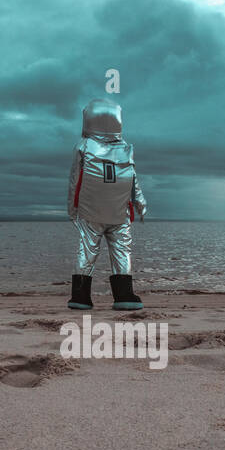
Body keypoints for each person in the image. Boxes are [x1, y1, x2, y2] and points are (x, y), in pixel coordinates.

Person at [65, 98, 148, 310]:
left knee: (87, 250)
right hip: (119, 211)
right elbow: (133, 178)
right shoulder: (125, 149)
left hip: (90, 211)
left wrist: (72, 210)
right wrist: (140, 202)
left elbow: (74, 180)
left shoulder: (83, 146)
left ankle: (80, 297)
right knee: (122, 250)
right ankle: (124, 296)